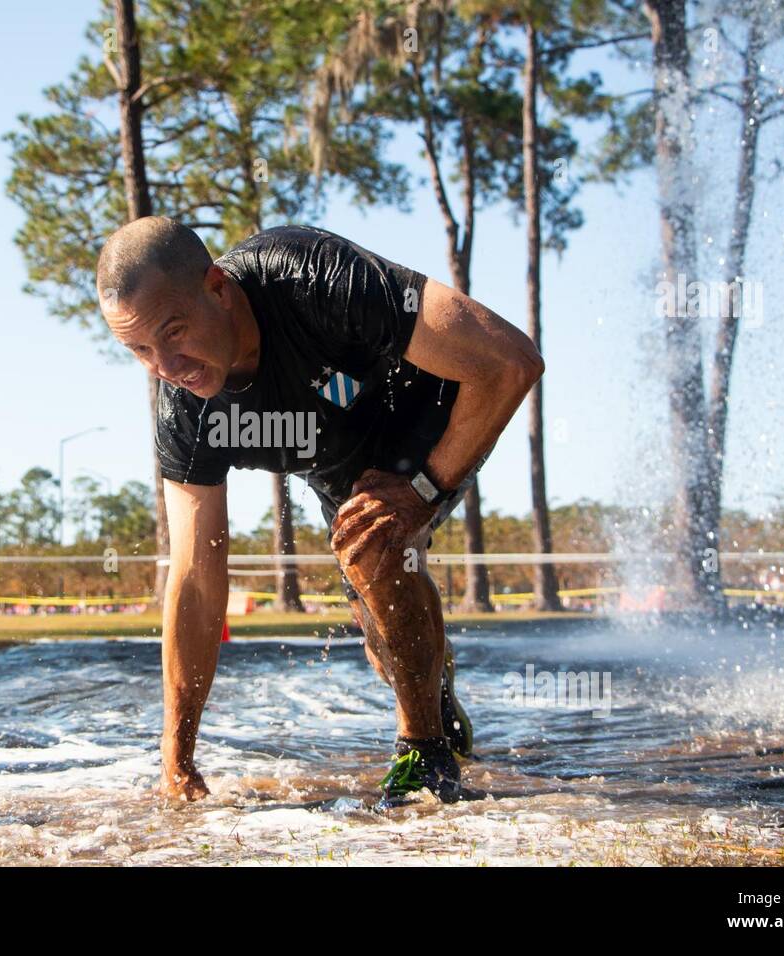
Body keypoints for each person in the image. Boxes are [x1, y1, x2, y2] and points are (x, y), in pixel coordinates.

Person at [96, 217, 544, 806]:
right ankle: (436, 694)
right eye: (140, 350)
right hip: (342, 467)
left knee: (374, 546)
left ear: (217, 286)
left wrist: (425, 491)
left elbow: (510, 360)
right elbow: (196, 581)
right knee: (386, 644)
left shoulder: (312, 277)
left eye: (173, 332)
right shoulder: (187, 413)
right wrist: (178, 761)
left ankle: (424, 757)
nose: (168, 366)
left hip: (431, 420)